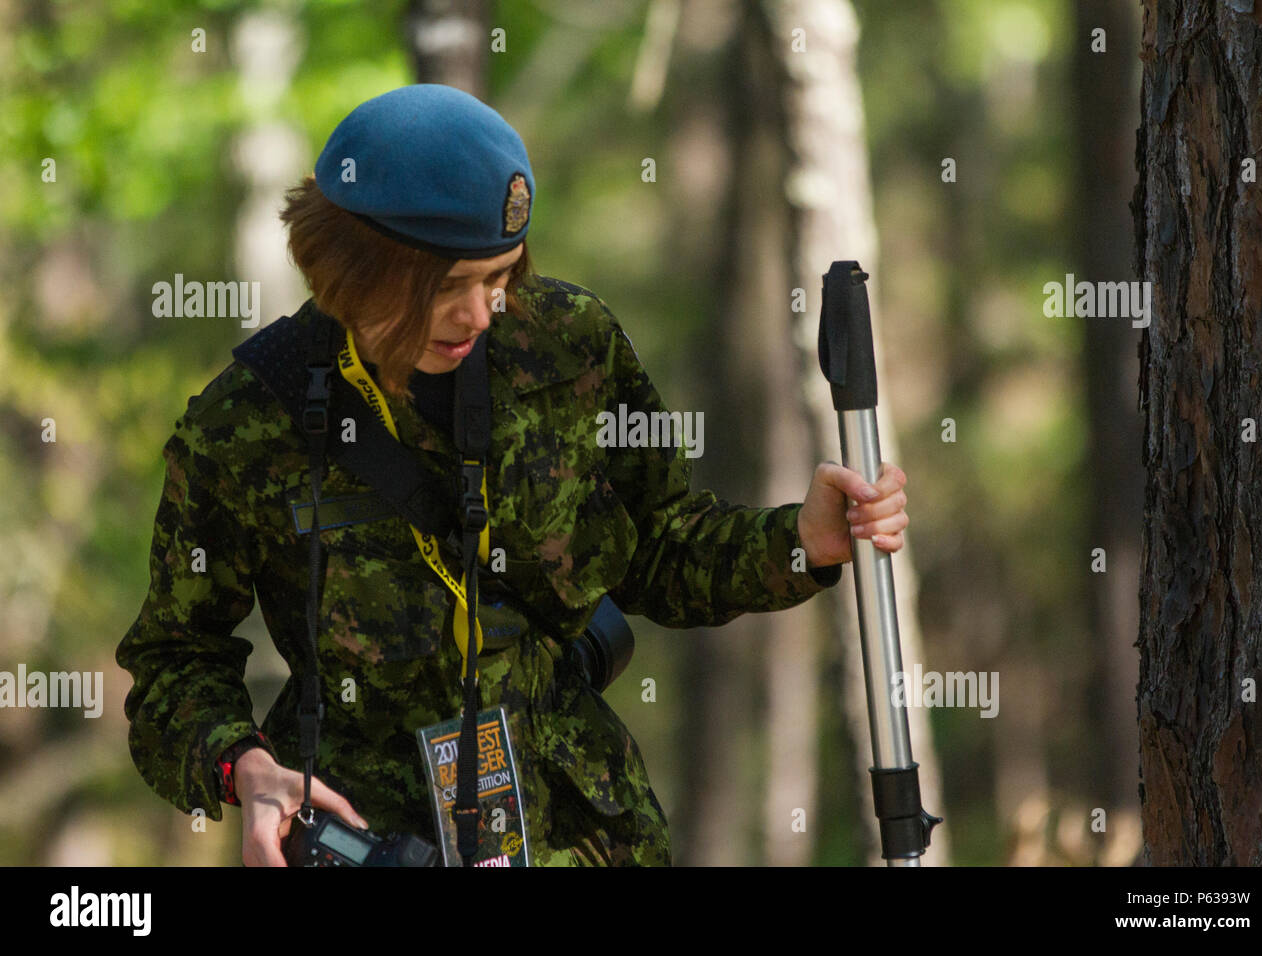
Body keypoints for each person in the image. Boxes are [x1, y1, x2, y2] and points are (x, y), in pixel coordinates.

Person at [116, 84, 910, 867]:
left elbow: (661, 549)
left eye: (499, 277)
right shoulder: (246, 422)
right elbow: (173, 661)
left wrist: (799, 542)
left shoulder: (570, 345)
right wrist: (242, 767)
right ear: (354, 267)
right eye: (450, 286)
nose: (482, 314)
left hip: (583, 829)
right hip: (376, 837)